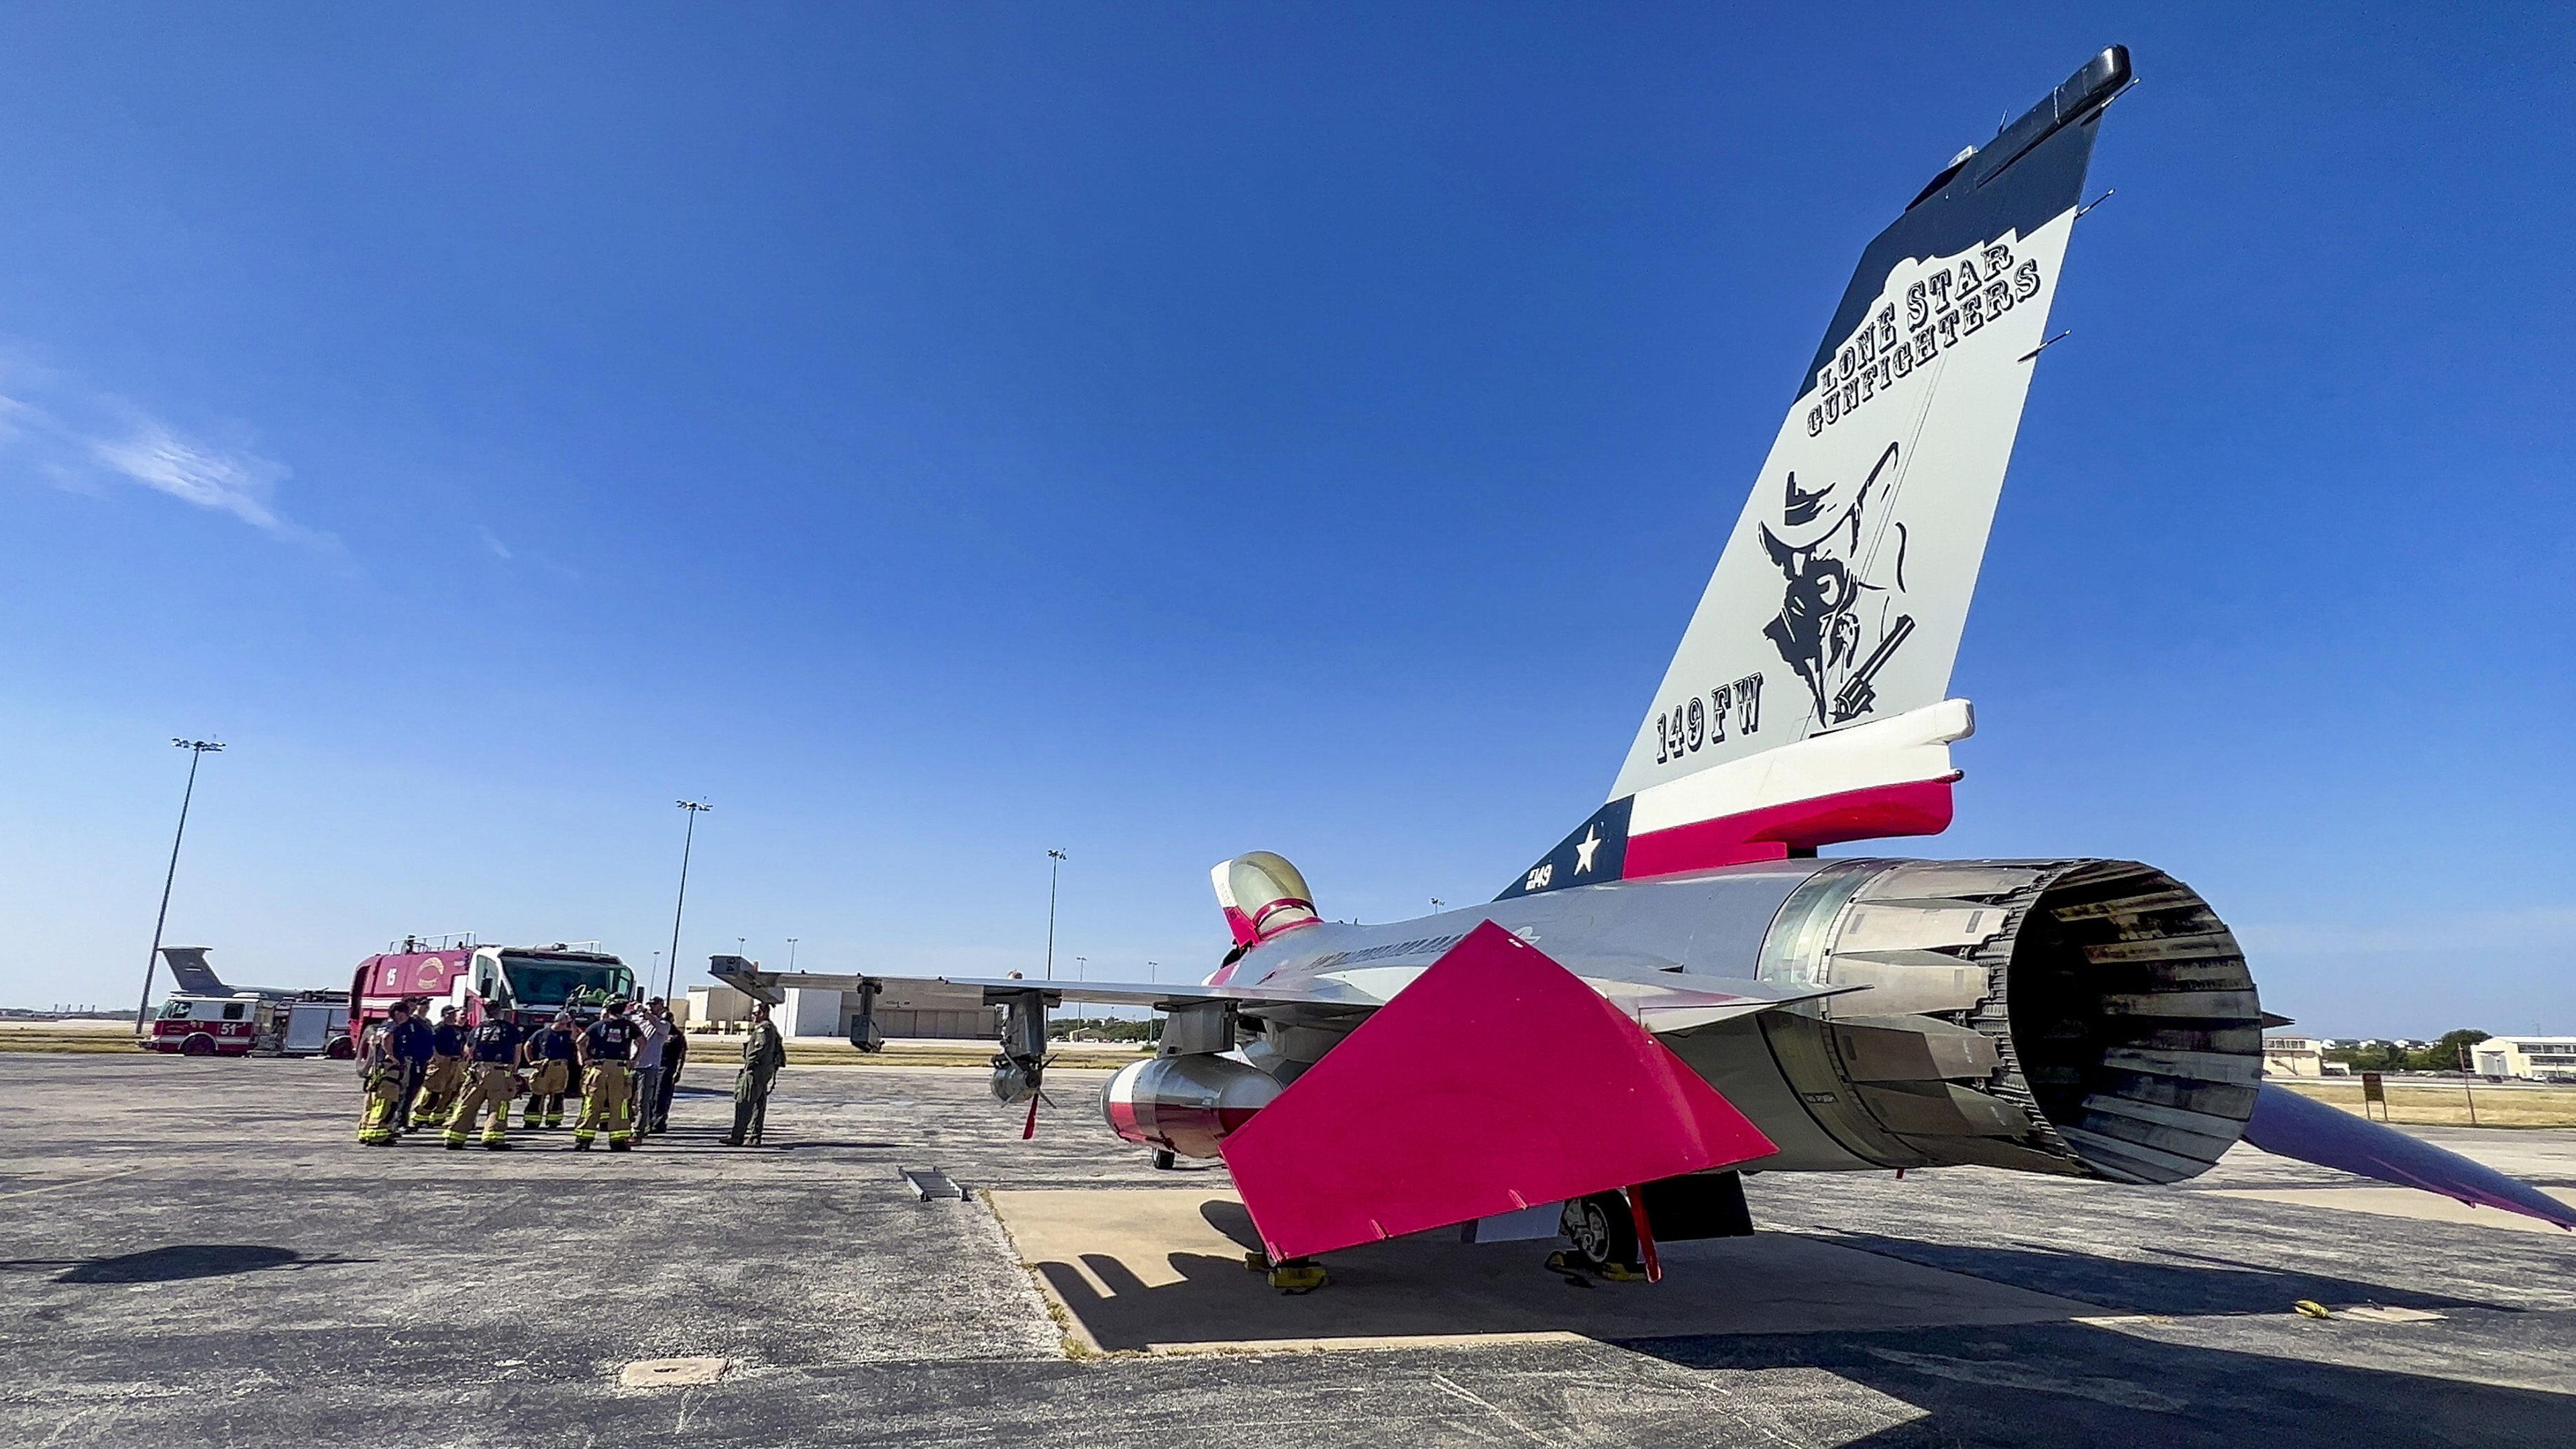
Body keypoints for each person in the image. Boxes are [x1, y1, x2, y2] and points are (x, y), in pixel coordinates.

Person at [443, 1007, 524, 1150]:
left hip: (478, 1070)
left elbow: (468, 1049)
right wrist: (514, 1070)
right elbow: (518, 1051)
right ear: (500, 1013)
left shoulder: (478, 1028)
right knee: (499, 1105)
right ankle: (493, 1137)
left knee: (468, 1103)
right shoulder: (509, 1028)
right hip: (500, 1071)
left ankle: (454, 1137)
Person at [571, 998, 640, 1152]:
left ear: (608, 1010)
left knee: (591, 1103)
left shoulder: (597, 1026)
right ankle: (618, 1141)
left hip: (598, 1068)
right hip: (620, 1068)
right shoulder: (630, 1027)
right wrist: (634, 1060)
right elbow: (643, 1042)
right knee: (619, 1105)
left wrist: (585, 1058)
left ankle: (584, 1140)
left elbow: (580, 1041)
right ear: (623, 1011)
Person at [725, 1003, 787, 1146]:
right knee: (759, 1105)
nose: (753, 1016)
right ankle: (754, 1137)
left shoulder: (763, 1029)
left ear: (764, 1013)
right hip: (764, 1071)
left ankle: (738, 1136)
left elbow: (761, 1047)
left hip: (756, 1071)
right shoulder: (771, 1028)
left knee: (745, 1102)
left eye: (756, 1013)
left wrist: (750, 1061)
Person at [355, 1000, 415, 1145]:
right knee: (386, 1102)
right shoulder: (394, 1026)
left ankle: (365, 1131)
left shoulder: (383, 1025)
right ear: (398, 1014)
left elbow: (374, 1041)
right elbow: (387, 1038)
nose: (408, 1016)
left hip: (378, 1067)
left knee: (372, 1101)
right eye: (406, 1013)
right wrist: (392, 1057)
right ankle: (378, 1133)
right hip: (390, 1070)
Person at [409, 1006, 468, 1127]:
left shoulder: (457, 1030)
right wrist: (436, 1056)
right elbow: (431, 1043)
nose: (452, 1016)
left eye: (453, 1014)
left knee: (450, 1092)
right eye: (449, 1014)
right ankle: (420, 1117)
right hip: (441, 1062)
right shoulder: (438, 1029)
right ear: (444, 1015)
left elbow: (461, 1044)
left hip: (455, 1063)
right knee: (433, 1091)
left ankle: (438, 1116)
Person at [386, 998, 436, 1140]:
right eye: (411, 1006)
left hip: (418, 1062)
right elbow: (385, 1039)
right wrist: (393, 1058)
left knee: (411, 1093)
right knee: (401, 1093)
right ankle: (397, 1123)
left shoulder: (419, 1023)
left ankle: (402, 1121)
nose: (413, 1009)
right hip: (405, 1061)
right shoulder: (397, 1025)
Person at [520, 1012, 578, 1128]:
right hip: (545, 1066)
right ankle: (532, 1121)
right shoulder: (542, 1033)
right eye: (563, 1024)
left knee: (558, 1095)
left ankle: (554, 1121)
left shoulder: (568, 1034)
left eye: (566, 1024)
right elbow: (528, 1045)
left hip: (561, 1066)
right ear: (556, 1022)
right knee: (538, 1094)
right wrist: (531, 1061)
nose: (564, 1027)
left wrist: (572, 1022)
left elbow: (577, 1036)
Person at [629, 998, 672, 1140]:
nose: (652, 1007)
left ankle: (639, 1131)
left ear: (662, 1007)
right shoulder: (640, 1022)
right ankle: (625, 1128)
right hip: (633, 1065)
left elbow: (659, 1026)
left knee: (643, 1101)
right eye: (650, 1005)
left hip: (649, 1066)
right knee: (627, 1100)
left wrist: (647, 1014)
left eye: (655, 1005)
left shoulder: (663, 1024)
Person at [651, 1014, 688, 1133]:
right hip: (654, 1065)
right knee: (651, 1095)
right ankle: (651, 1121)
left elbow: (682, 1055)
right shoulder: (657, 1031)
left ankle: (659, 1122)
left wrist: (678, 1072)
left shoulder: (676, 1035)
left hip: (667, 1067)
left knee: (662, 1095)